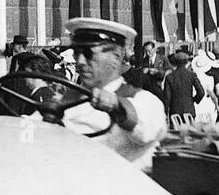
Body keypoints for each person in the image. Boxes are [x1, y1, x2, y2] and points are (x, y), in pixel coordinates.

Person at [56, 18, 167, 170]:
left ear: (116, 56)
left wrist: (116, 106)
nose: (80, 62)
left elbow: (147, 127)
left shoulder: (142, 100)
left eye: (89, 54)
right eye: (77, 53)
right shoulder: (65, 100)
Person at [163, 50, 203, 122]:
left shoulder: (169, 77)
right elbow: (201, 92)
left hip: (175, 111)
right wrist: (194, 100)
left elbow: (167, 97)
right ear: (186, 62)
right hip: (189, 109)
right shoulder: (192, 75)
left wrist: (166, 112)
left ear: (174, 62)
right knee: (190, 132)